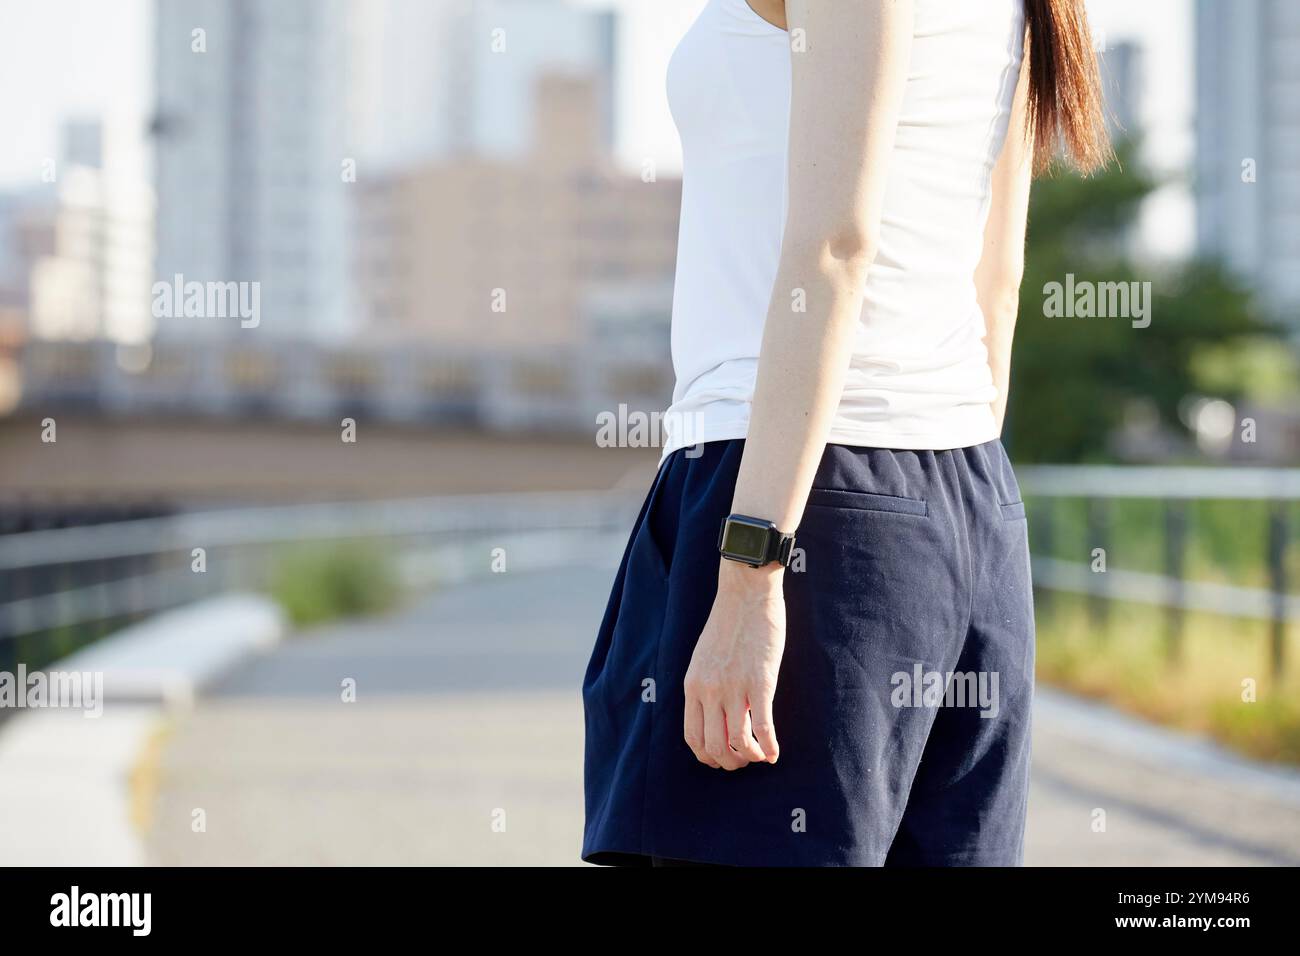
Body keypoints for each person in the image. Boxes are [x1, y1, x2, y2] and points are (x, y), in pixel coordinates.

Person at [582, 0, 1110, 867]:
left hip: (790, 488)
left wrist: (751, 574)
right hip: (966, 496)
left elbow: (836, 243)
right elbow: (999, 282)